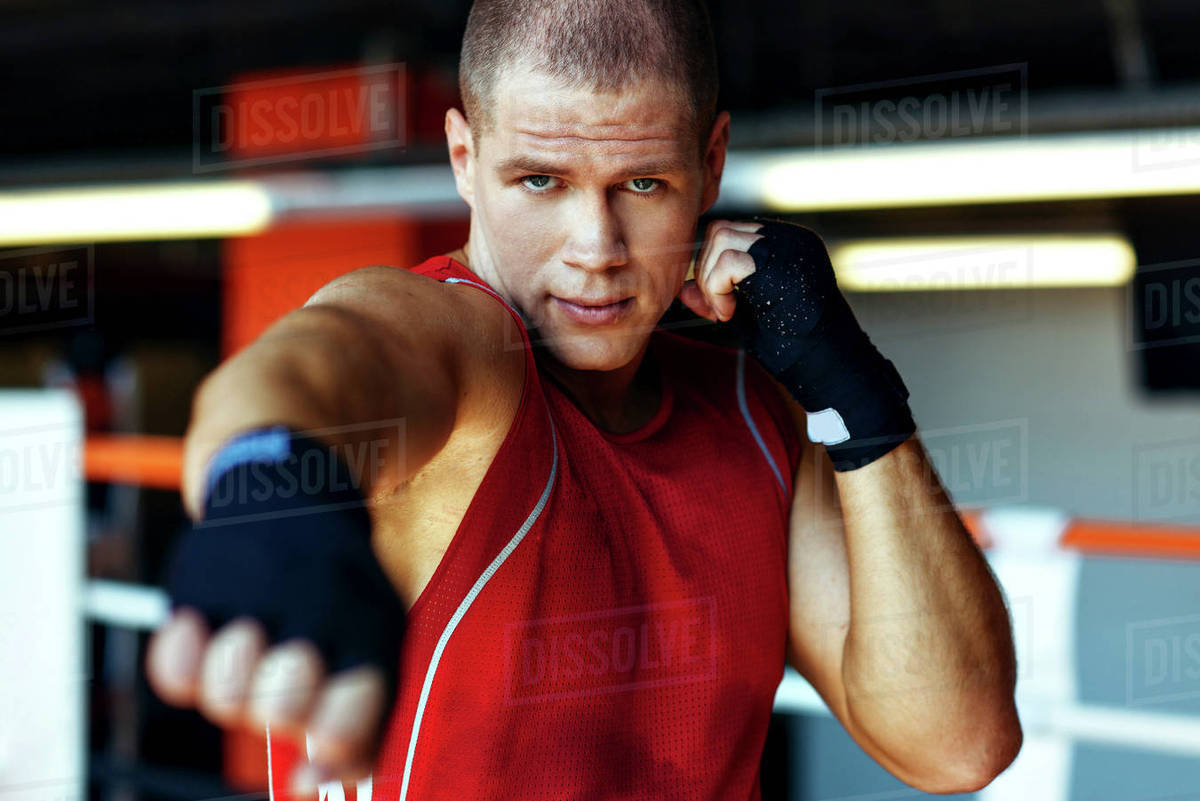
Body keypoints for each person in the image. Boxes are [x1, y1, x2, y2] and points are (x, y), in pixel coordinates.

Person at [146, 0, 1023, 797]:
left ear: (709, 163)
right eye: (541, 183)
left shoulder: (760, 418)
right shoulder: (463, 353)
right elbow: (324, 357)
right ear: (465, 158)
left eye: (642, 184)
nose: (595, 247)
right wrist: (270, 480)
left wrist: (856, 395)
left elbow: (956, 742)